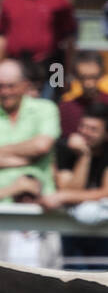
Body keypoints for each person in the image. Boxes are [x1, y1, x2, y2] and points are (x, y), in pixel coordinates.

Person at [0, 59, 60, 196]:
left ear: (25, 85)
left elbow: (41, 146)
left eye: (11, 86)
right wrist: (26, 159)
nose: (5, 92)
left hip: (40, 200)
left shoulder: (46, 109)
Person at [41, 101, 108, 268]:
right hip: (69, 230)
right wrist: (85, 156)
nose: (85, 133)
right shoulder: (64, 148)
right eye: (83, 126)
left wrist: (64, 196)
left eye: (93, 129)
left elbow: (106, 192)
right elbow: (69, 188)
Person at [59, 49, 108, 137]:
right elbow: (64, 139)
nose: (88, 83)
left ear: (102, 74)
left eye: (94, 77)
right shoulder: (67, 108)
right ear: (76, 76)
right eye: (83, 77)